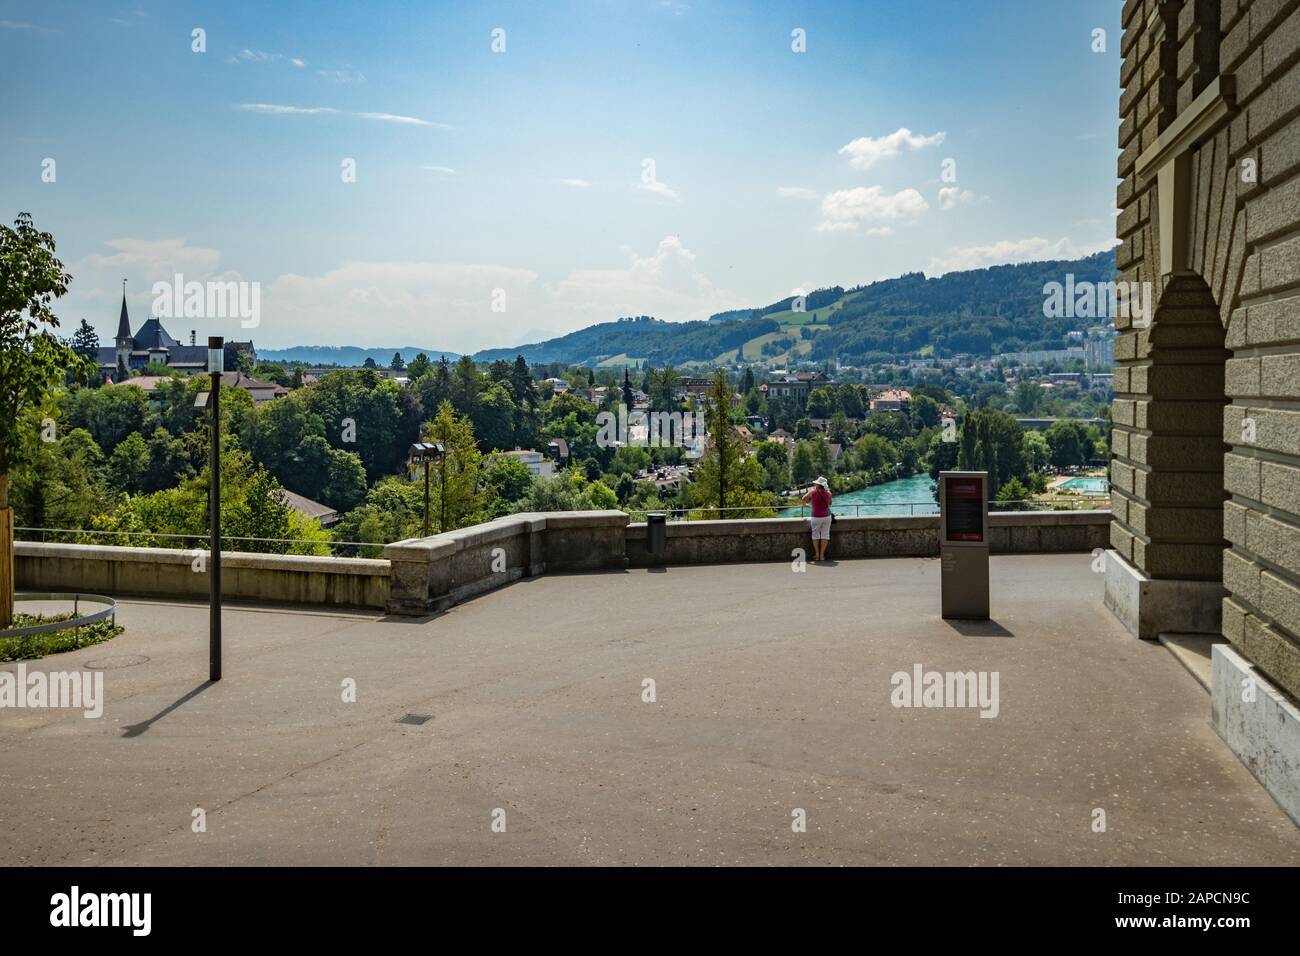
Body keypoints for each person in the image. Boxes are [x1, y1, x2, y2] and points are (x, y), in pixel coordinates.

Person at [801, 476, 833, 562]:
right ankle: (822, 555)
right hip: (827, 516)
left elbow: (803, 499)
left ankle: (817, 555)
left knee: (815, 535)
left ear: (818, 485)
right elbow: (830, 504)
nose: (815, 485)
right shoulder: (829, 493)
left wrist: (805, 505)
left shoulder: (813, 492)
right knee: (825, 535)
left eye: (816, 484)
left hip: (816, 517)